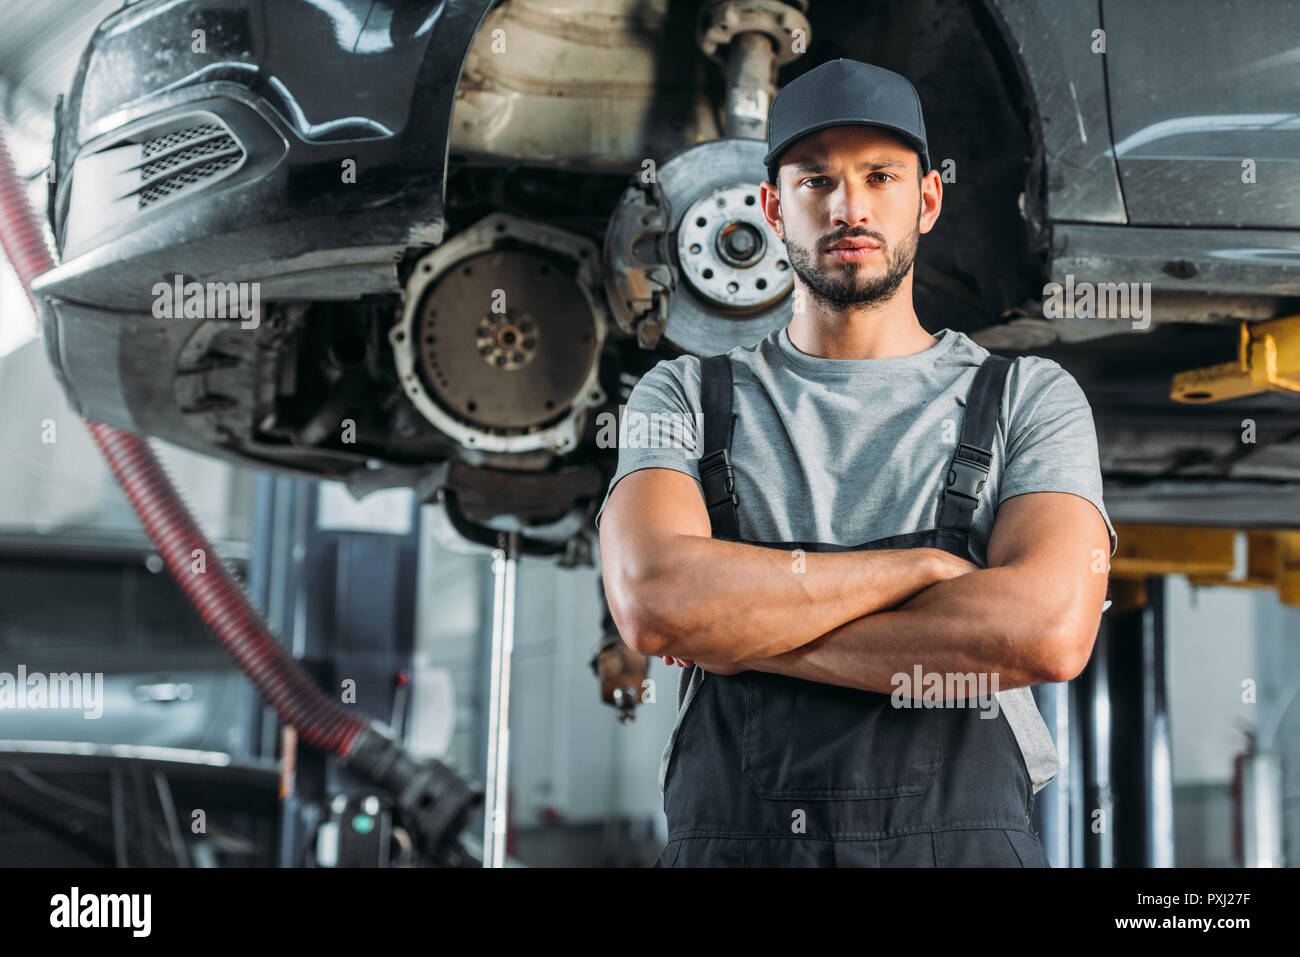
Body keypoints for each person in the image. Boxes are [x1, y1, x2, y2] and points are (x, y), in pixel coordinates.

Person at [596, 59, 1116, 867]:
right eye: (816, 180)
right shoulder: (683, 397)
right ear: (772, 208)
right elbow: (657, 601)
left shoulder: (1028, 398)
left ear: (928, 199)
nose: (849, 207)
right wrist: (921, 569)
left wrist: (739, 631)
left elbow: (1045, 632)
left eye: (880, 176)